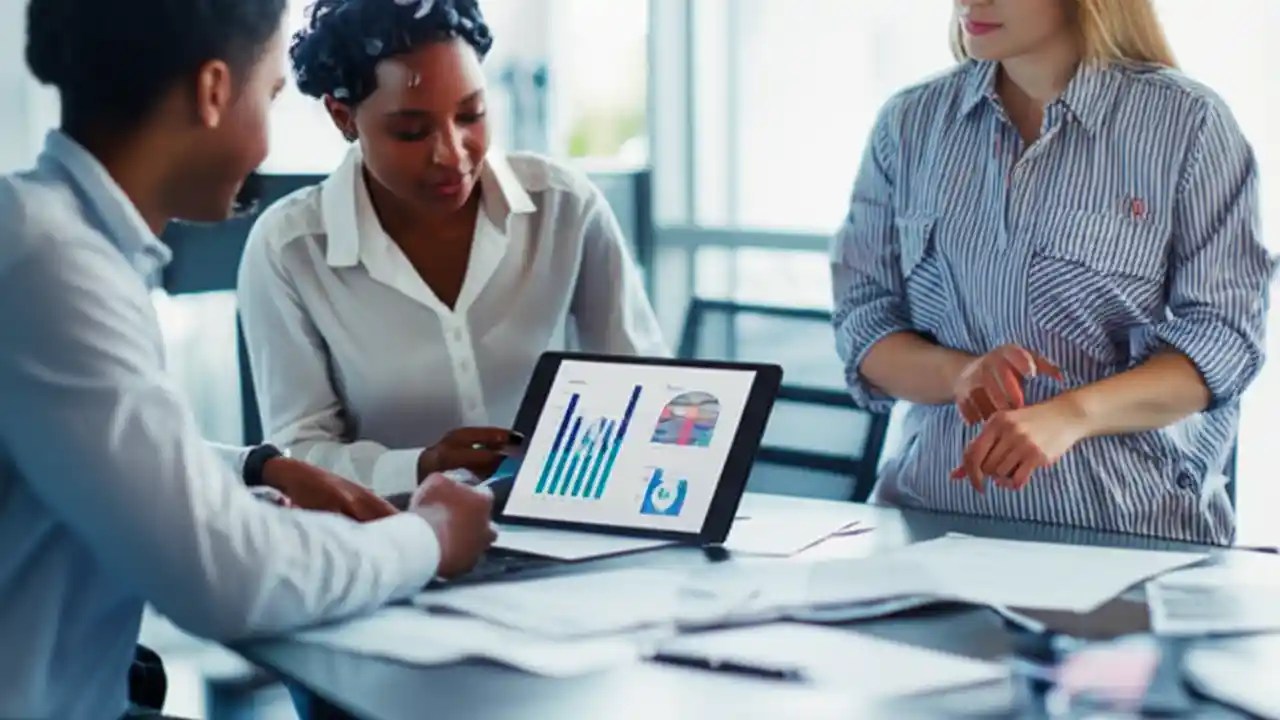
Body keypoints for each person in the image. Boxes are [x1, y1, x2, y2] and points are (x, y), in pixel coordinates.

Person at [0, 1, 498, 716]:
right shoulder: (53, 269)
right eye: (267, 96)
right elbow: (228, 579)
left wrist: (257, 468)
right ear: (211, 92)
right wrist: (430, 535)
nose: (268, 143)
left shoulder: (42, 236)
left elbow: (93, 442)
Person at [830, 0, 1272, 544]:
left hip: (1133, 537)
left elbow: (1222, 341)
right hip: (929, 526)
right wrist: (959, 375)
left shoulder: (1189, 124)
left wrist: (1072, 414)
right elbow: (864, 321)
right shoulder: (909, 124)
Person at [237, 0, 668, 498]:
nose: (452, 152)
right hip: (388, 542)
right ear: (343, 117)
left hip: (564, 523)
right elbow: (298, 452)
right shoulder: (289, 250)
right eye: (411, 131)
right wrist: (423, 466)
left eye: (472, 114)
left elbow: (645, 387)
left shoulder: (566, 209)